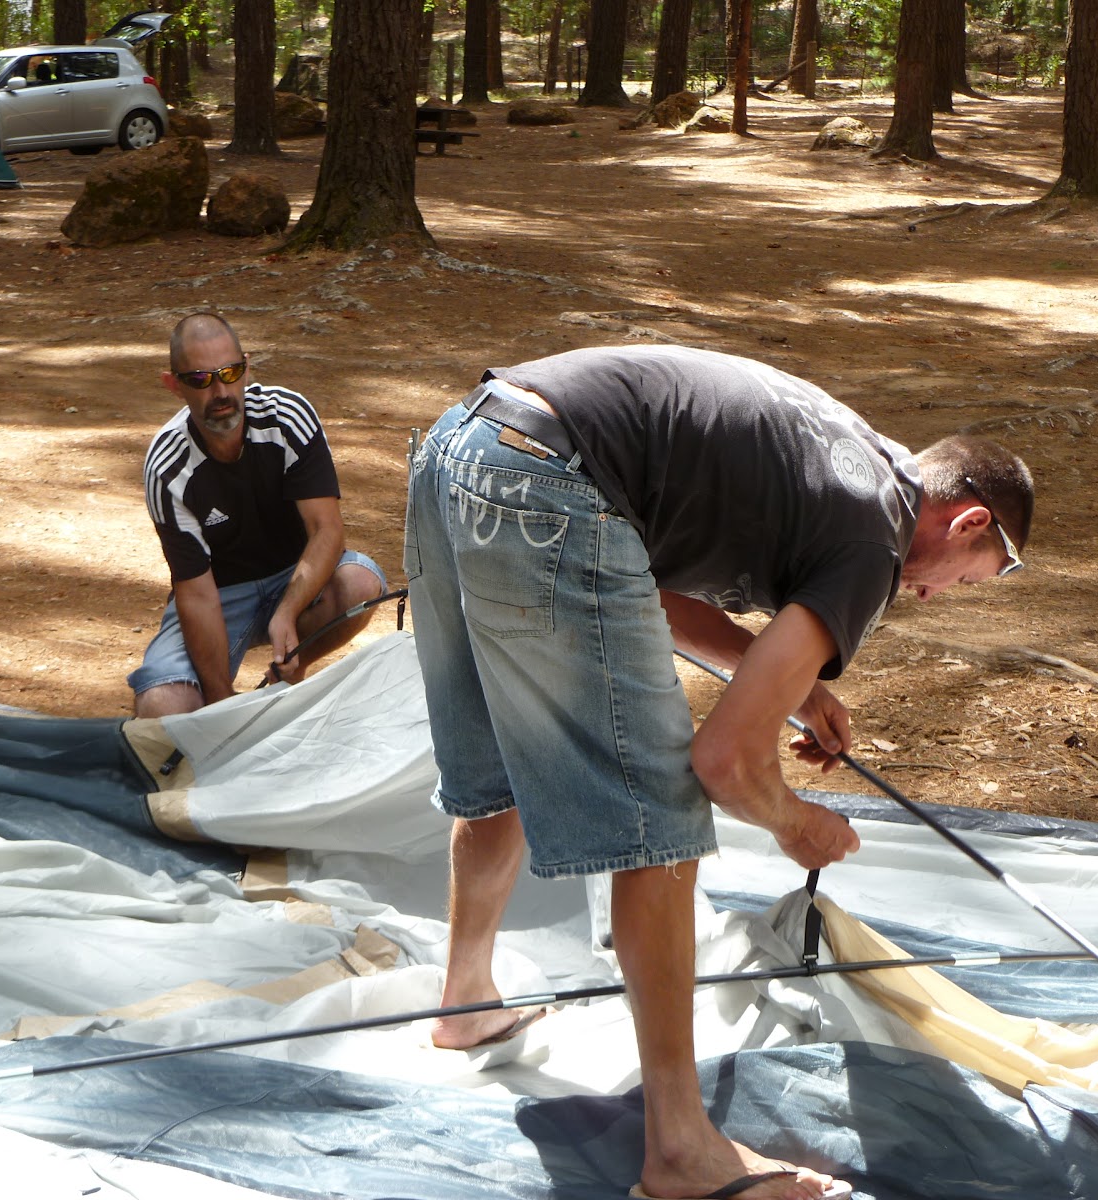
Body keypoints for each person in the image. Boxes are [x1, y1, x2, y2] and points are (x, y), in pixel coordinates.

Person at [404, 344, 1033, 1200]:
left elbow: (631, 581)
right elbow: (724, 761)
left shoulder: (851, 468)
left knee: (499, 770)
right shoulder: (873, 546)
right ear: (968, 523)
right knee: (660, 822)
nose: (935, 596)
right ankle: (680, 1151)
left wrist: (787, 681)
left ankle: (466, 1001)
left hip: (464, 446)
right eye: (969, 579)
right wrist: (798, 823)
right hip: (550, 480)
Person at [130, 313, 387, 717]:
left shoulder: (287, 417)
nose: (220, 392)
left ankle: (289, 673)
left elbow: (326, 530)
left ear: (247, 368)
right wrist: (220, 702)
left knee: (360, 582)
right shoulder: (168, 467)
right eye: (200, 379)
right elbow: (196, 592)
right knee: (162, 704)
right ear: (174, 385)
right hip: (218, 594)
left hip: (293, 578)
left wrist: (288, 611)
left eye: (230, 373)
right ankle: (227, 712)